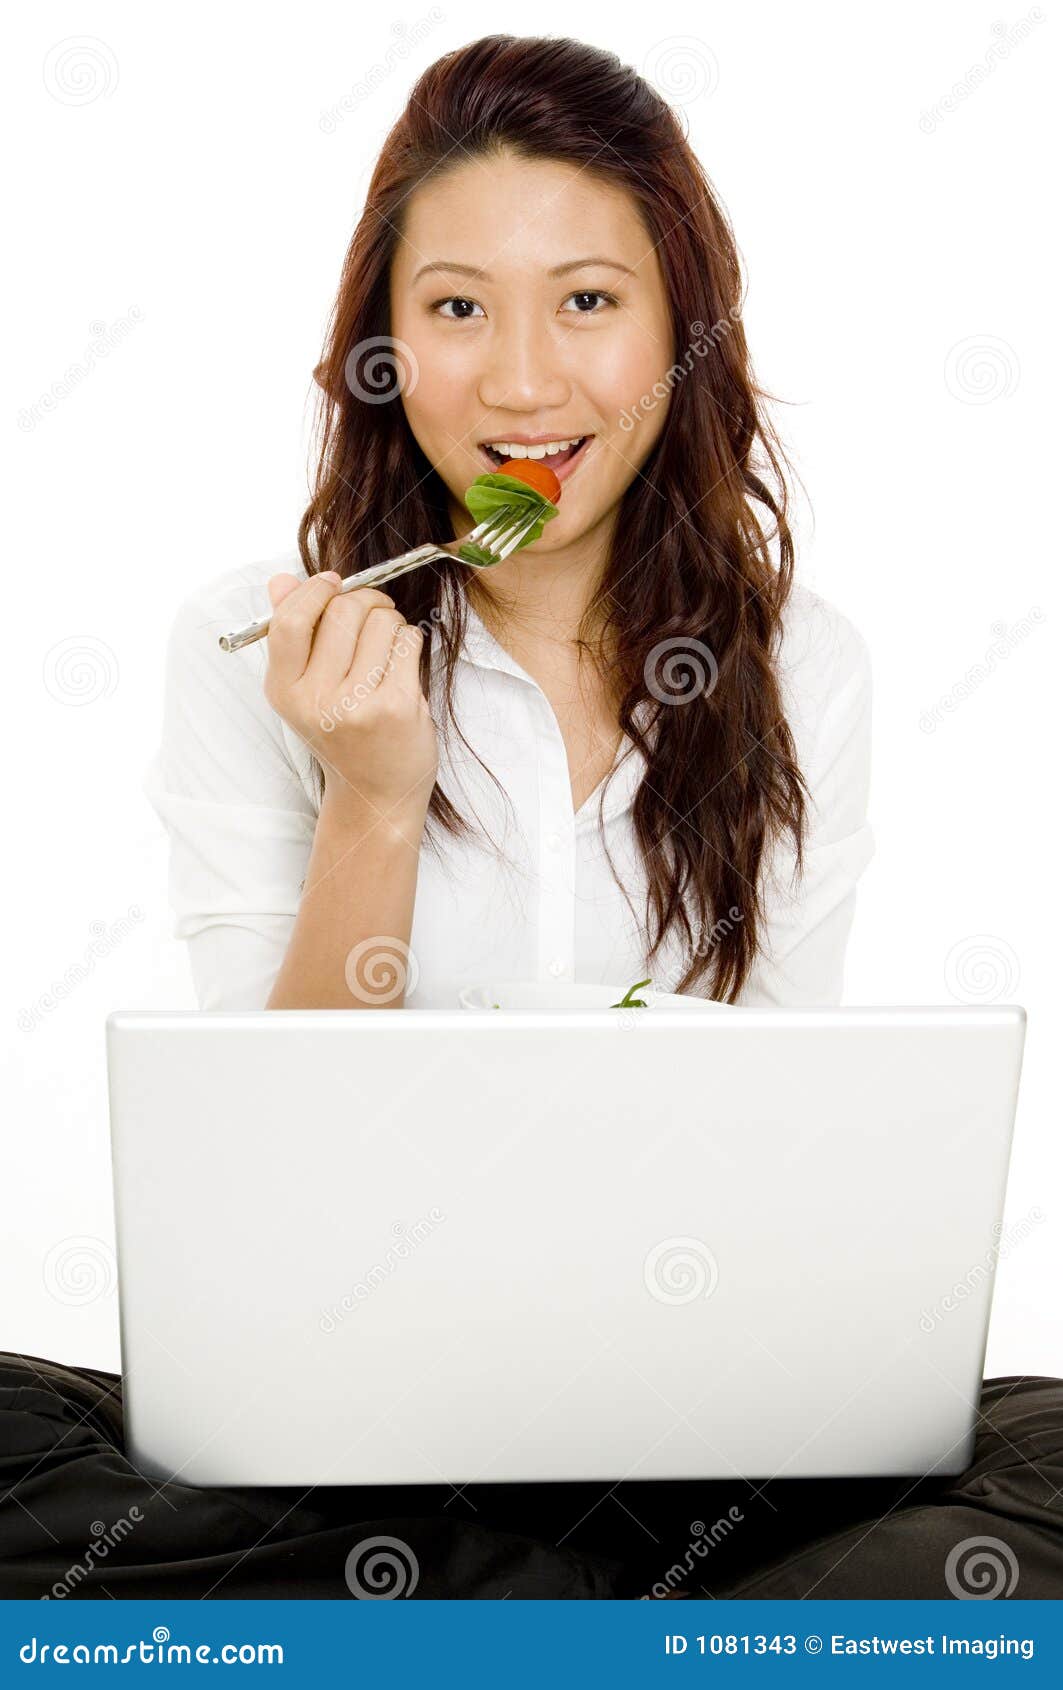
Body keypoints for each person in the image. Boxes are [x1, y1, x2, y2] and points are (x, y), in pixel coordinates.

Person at [5, 34, 1061, 1600]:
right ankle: (640, 1629)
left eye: (587, 301)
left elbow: (787, 1161)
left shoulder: (797, 669)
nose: (520, 382)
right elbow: (271, 1202)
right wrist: (374, 796)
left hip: (695, 1438)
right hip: (337, 1433)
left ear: (677, 329)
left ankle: (476, 1610)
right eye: (455, 310)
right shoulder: (255, 645)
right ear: (383, 345)